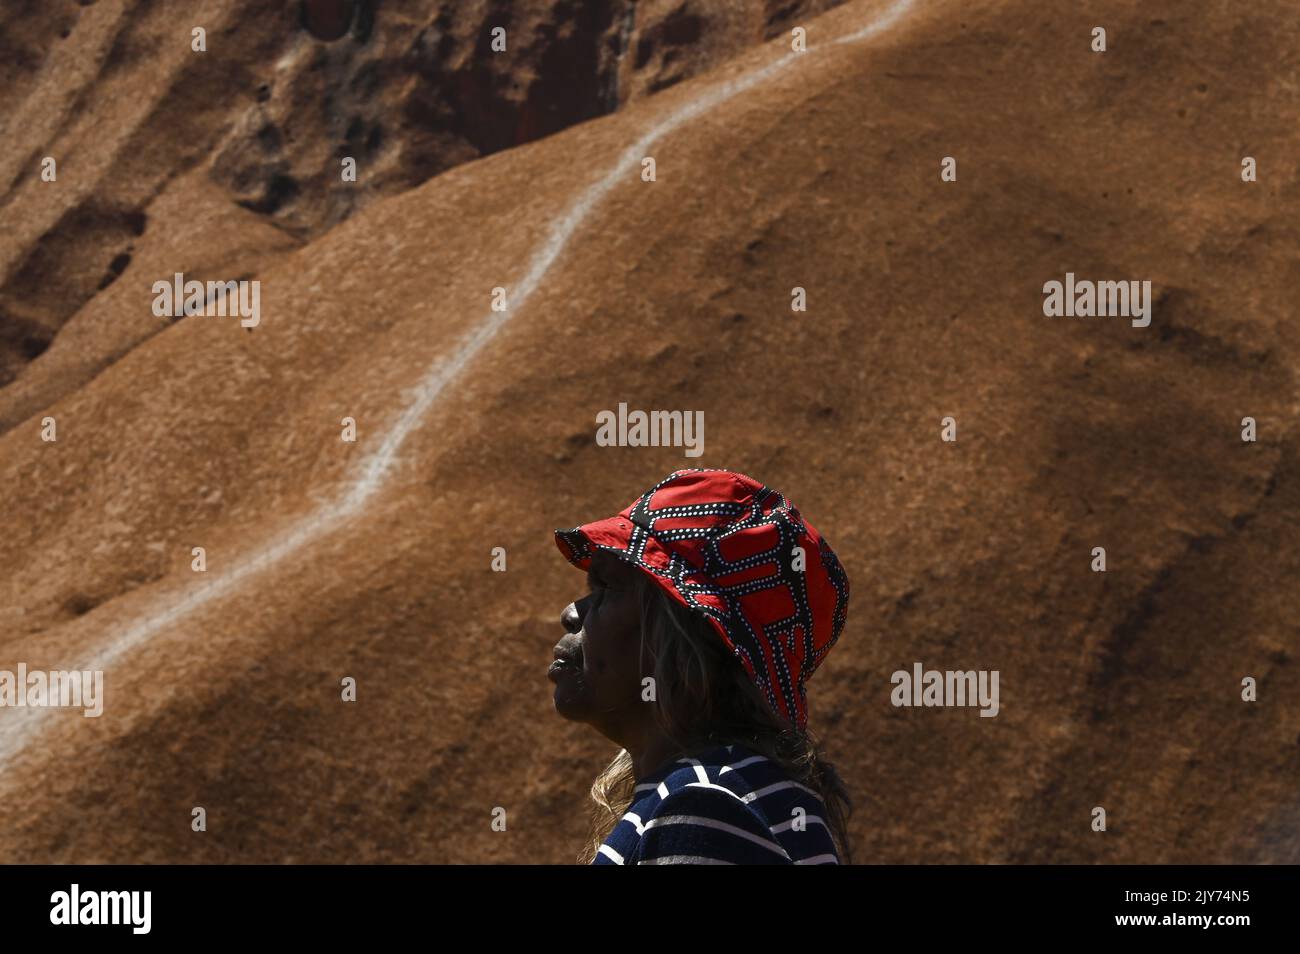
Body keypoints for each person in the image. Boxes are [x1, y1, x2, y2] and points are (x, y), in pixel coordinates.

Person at [549, 468, 854, 864]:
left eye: (607, 587)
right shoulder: (732, 792)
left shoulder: (702, 807)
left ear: (689, 633)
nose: (570, 613)